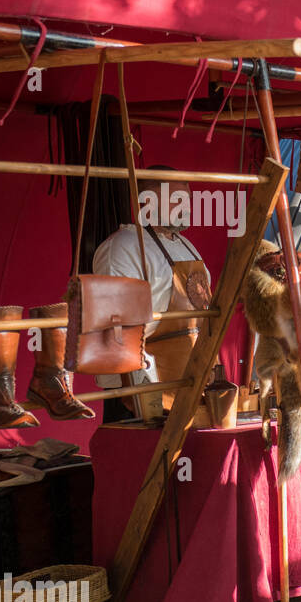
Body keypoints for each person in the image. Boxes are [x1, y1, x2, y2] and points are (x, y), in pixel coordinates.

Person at [91, 169, 212, 418]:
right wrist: (137, 391)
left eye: (187, 200)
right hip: (144, 384)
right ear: (147, 201)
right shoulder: (122, 247)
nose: (187, 207)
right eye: (177, 200)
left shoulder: (186, 245)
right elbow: (119, 330)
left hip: (191, 377)